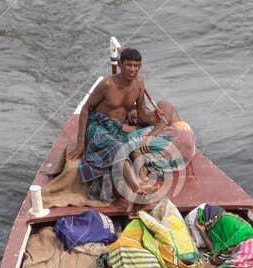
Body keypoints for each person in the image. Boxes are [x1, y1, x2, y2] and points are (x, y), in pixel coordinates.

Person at [68, 48, 184, 203]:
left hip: (117, 128)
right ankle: (137, 188)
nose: (133, 69)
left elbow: (142, 113)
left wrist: (152, 117)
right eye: (129, 65)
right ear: (121, 65)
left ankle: (142, 178)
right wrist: (81, 144)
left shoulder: (140, 83)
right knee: (119, 149)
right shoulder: (107, 84)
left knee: (132, 147)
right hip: (97, 126)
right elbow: (85, 109)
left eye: (136, 66)